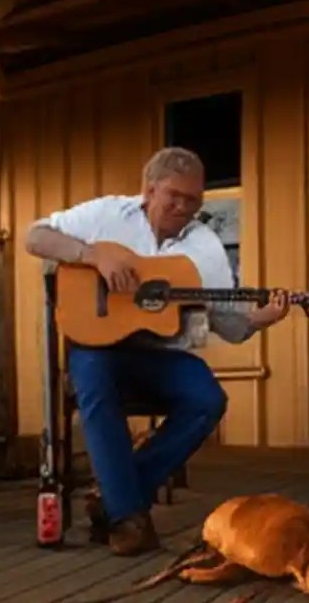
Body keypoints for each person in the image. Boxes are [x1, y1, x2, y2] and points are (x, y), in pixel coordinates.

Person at [24, 146, 293, 555]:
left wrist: (260, 319)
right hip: (98, 347)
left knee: (207, 399)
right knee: (95, 383)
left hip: (157, 354)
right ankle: (127, 518)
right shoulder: (108, 215)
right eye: (174, 196)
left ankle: (117, 496)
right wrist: (93, 253)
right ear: (149, 191)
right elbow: (34, 236)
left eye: (194, 200)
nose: (183, 207)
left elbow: (228, 324)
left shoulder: (205, 247)